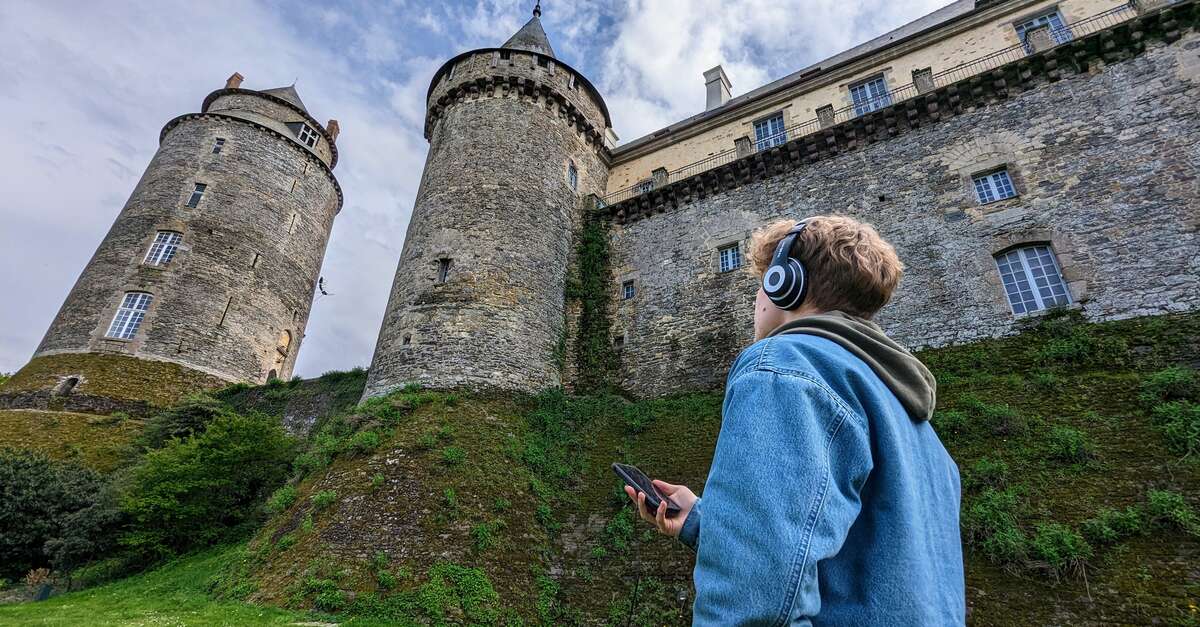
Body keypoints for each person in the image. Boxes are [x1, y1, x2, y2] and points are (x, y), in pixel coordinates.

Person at [625, 215, 964, 625]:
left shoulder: (782, 366)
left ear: (784, 284)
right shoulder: (914, 421)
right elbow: (872, 565)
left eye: (762, 282)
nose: (757, 296)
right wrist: (702, 522)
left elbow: (757, 596)